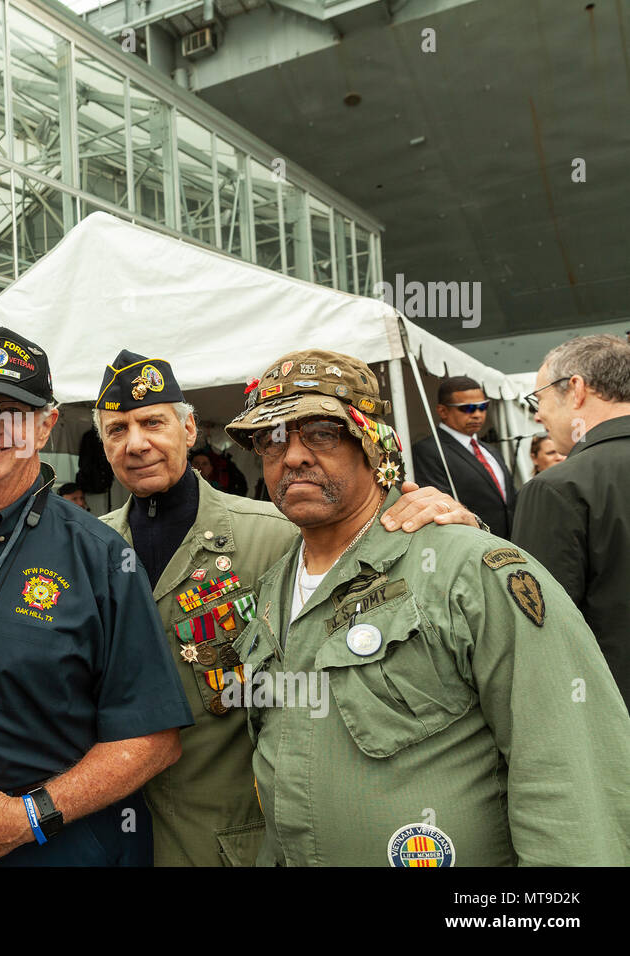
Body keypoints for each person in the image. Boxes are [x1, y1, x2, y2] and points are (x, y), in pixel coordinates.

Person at [223, 349, 630, 865]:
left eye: (322, 434)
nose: (294, 456)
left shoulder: (469, 567)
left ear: (372, 444)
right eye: (272, 439)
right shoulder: (272, 586)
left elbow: (567, 762)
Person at [92, 349, 480, 867]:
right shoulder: (87, 548)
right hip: (114, 832)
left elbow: (379, 542)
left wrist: (452, 522)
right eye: (117, 430)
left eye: (152, 422)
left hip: (238, 838)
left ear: (189, 431)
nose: (136, 443)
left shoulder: (279, 533)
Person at [0, 327, 192, 867]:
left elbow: (154, 738)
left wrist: (25, 819)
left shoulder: (100, 557)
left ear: (45, 426)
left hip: (65, 848)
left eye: (12, 411)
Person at [514, 334, 630, 703]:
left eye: (540, 397)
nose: (538, 414)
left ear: (576, 389)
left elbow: (540, 628)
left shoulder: (558, 487)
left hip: (608, 714)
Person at [411, 376, 517, 538]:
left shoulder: (490, 451)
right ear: (443, 411)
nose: (477, 414)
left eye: (483, 407)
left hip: (510, 543)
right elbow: (440, 507)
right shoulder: (428, 450)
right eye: (467, 408)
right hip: (471, 544)